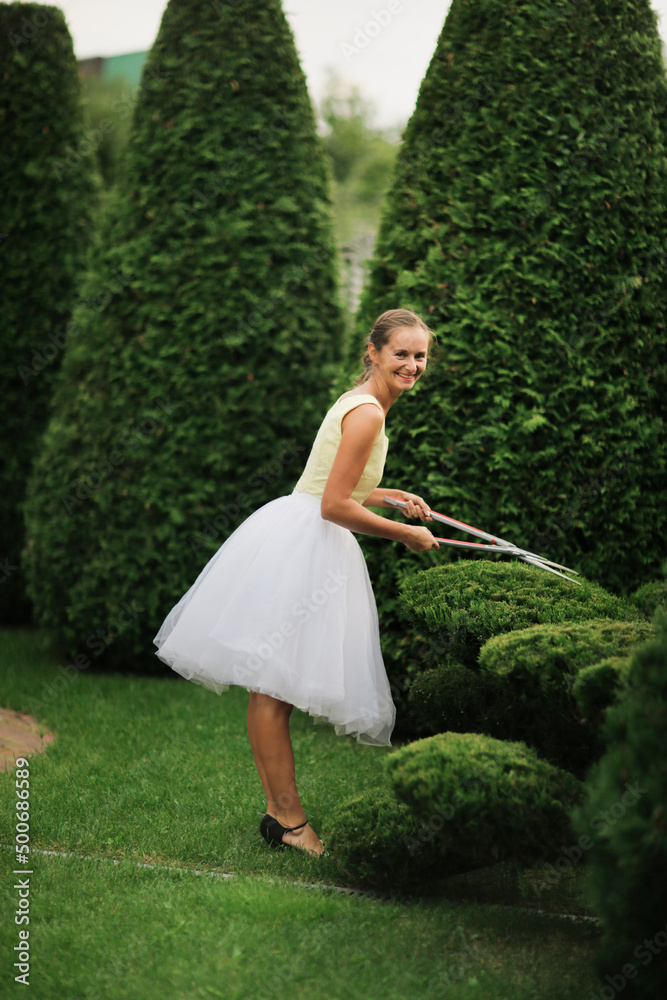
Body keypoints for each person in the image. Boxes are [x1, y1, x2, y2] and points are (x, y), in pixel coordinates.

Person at [153, 308, 440, 857]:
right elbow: (332, 504)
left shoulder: (363, 400)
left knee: (270, 689)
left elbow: (335, 483)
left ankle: (279, 815)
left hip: (300, 532)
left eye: (420, 355)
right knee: (274, 692)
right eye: (400, 353)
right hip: (309, 544)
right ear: (374, 352)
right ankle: (288, 821)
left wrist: (387, 495)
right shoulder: (369, 415)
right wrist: (404, 535)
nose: (411, 365)